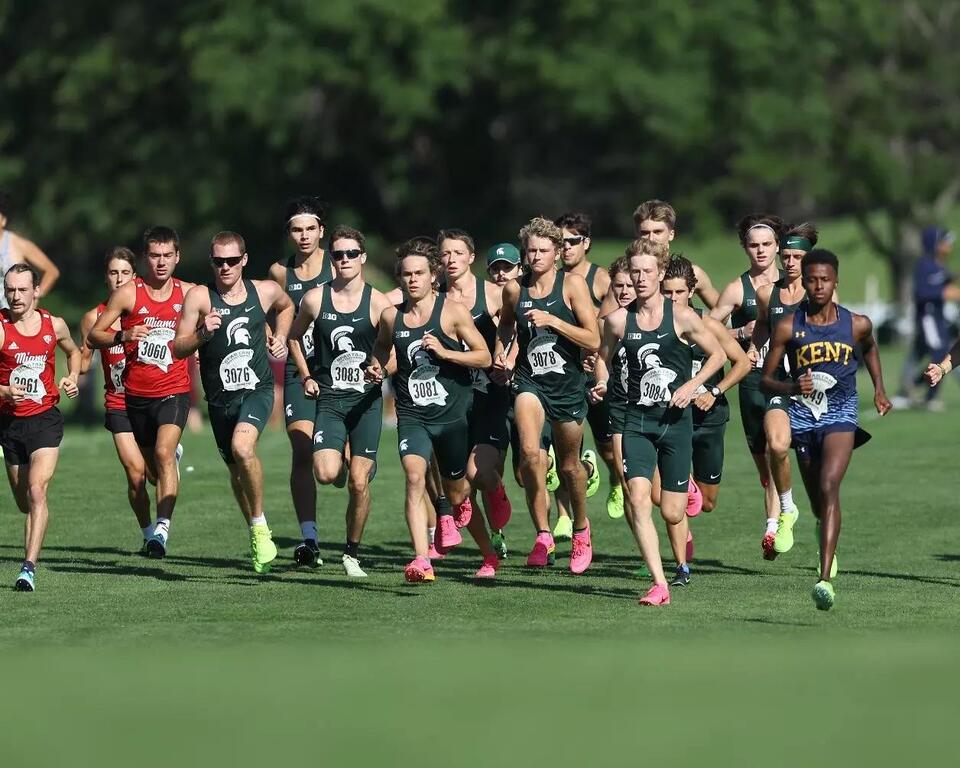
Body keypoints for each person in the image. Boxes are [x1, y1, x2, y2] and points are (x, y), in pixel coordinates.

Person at [595, 241, 725, 606]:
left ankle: (688, 495)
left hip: (674, 424)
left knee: (671, 510)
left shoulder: (682, 317)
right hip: (635, 423)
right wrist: (603, 383)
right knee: (637, 498)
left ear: (660, 274)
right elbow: (603, 359)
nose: (639, 278)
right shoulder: (618, 320)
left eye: (646, 271)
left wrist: (691, 386)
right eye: (634, 271)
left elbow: (716, 355)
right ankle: (658, 583)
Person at [762, 248, 891, 610]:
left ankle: (824, 578)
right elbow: (766, 380)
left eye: (825, 280)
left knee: (829, 485)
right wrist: (791, 389)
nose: (818, 286)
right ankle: (824, 535)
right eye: (812, 279)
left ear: (836, 282)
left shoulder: (856, 323)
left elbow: (870, 349)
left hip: (841, 415)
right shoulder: (789, 325)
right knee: (820, 504)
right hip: (803, 418)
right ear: (803, 280)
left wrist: (879, 389)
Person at [366, 237, 497, 582]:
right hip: (413, 416)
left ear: (432, 275)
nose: (412, 280)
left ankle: (488, 553)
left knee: (458, 495)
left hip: (453, 418)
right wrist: (376, 366)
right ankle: (422, 560)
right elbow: (381, 349)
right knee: (413, 477)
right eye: (406, 274)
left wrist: (446, 352)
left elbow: (483, 357)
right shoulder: (391, 317)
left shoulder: (452, 312)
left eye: (419, 273)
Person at [172, 232, 293, 573]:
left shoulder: (265, 290)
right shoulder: (199, 297)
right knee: (236, 471)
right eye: (217, 261)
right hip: (219, 400)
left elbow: (286, 307)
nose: (224, 267)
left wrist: (281, 337)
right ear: (211, 262)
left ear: (244, 260)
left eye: (231, 261)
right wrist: (202, 334)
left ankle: (258, 526)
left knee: (243, 449)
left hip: (257, 390)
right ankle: (258, 527)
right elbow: (177, 347)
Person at [494, 217, 599, 573]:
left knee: (569, 467)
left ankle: (581, 529)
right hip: (529, 381)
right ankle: (542, 535)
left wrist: (554, 322)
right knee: (529, 454)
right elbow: (507, 324)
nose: (536, 256)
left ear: (557, 253)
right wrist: (502, 353)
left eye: (543, 250)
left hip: (568, 386)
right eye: (531, 250)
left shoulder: (572, 286)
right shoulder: (514, 289)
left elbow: (593, 339)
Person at [287, 225, 392, 578]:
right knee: (326, 472)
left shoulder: (379, 303)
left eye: (351, 254)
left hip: (365, 404)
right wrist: (306, 376)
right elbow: (294, 337)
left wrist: (382, 369)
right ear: (330, 258)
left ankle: (351, 553)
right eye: (338, 254)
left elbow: (395, 349)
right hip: (330, 400)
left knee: (359, 483)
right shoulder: (316, 299)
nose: (344, 260)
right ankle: (348, 461)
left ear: (362, 258)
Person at [88, 226, 195, 558]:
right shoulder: (129, 294)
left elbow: (227, 309)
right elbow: (95, 335)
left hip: (175, 391)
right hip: (134, 396)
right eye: (154, 255)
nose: (161, 262)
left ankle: (161, 531)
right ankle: (150, 528)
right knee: (146, 474)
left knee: (163, 454)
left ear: (177, 256)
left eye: (167, 255)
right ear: (146, 257)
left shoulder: (191, 293)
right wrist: (125, 335)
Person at [656, 256, 750, 586]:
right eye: (666, 292)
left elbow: (742, 363)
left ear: (692, 292)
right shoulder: (652, 326)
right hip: (669, 421)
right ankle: (680, 565)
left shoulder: (708, 325)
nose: (671, 299)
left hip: (709, 419)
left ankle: (692, 488)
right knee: (669, 497)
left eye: (678, 293)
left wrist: (714, 388)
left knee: (706, 503)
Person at [0, 264, 80, 591]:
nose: (16, 296)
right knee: (24, 502)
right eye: (10, 290)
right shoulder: (2, 327)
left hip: (46, 419)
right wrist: (2, 390)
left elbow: (73, 351)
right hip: (9, 424)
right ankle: (36, 523)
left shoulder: (54, 325)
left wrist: (73, 376)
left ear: (37, 291)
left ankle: (28, 567)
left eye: (22, 289)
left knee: (37, 490)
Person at [710, 214, 785, 557]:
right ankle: (777, 509)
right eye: (753, 245)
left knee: (777, 448)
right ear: (745, 248)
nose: (760, 251)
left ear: (778, 246)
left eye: (766, 244)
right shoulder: (738, 288)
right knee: (765, 460)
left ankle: (775, 525)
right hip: (753, 380)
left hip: (791, 381)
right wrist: (742, 333)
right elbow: (705, 328)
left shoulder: (793, 284)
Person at [268, 196, 333, 565]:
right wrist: (273, 333)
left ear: (321, 231)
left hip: (341, 371)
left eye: (310, 228)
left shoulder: (339, 263)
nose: (304, 236)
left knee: (336, 470)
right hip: (298, 370)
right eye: (297, 229)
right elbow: (265, 308)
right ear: (289, 233)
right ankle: (309, 538)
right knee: (302, 449)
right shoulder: (280, 271)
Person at [749, 224, 818, 559]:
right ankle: (787, 509)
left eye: (797, 257)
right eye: (787, 256)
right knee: (777, 445)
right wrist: (754, 346)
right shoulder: (767, 294)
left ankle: (826, 545)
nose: (790, 262)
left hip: (816, 386)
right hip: (778, 381)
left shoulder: (820, 296)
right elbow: (763, 323)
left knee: (817, 470)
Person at [437, 229, 513, 535]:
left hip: (489, 391)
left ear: (471, 256)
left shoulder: (493, 294)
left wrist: (503, 357)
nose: (452, 259)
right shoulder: (434, 296)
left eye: (458, 253)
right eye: (445, 253)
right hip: (449, 394)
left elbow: (513, 330)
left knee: (478, 472)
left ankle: (495, 492)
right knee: (448, 473)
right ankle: (456, 508)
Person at [80, 248, 153, 549]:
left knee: (156, 476)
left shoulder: (147, 310)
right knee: (135, 474)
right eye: (113, 273)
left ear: (134, 277)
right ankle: (150, 536)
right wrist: (74, 373)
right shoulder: (93, 317)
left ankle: (168, 459)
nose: (119, 279)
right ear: (106, 277)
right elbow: (84, 359)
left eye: (125, 273)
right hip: (118, 401)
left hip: (150, 398)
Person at [554, 212, 609, 528]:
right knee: (559, 451)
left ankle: (608, 475)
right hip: (561, 376)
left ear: (586, 243)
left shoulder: (601, 279)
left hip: (596, 372)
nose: (566, 249)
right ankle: (563, 515)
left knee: (609, 450)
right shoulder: (551, 279)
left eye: (572, 242)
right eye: (560, 243)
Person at [895, 226, 960, 410]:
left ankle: (909, 388)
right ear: (935, 244)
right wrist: (946, 293)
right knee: (940, 354)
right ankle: (928, 395)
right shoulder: (925, 265)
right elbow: (923, 292)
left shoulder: (938, 265)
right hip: (928, 319)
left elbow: (945, 281)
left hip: (938, 319)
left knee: (924, 353)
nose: (949, 246)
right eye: (945, 242)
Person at [0, 192, 60, 306]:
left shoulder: (18, 244)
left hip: (15, 318)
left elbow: (52, 271)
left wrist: (36, 296)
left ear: (3, 220)